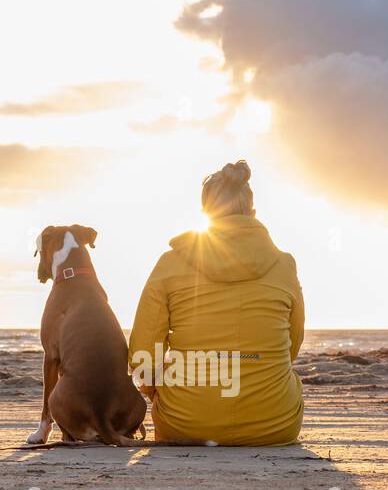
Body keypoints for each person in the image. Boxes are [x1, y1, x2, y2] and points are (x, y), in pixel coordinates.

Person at [128, 160, 304, 445]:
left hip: (185, 422)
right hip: (274, 423)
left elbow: (142, 353)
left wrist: (156, 391)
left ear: (205, 213)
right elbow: (292, 344)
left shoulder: (170, 263)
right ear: (252, 211)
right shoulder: (284, 265)